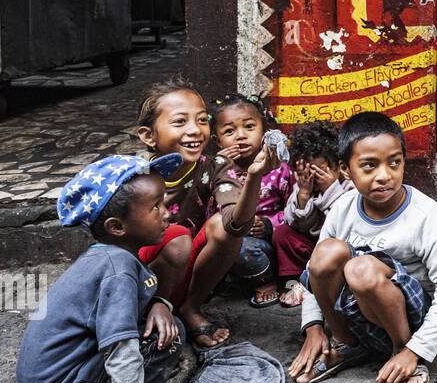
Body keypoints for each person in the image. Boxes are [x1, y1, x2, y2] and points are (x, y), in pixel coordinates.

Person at [288, 111, 437, 383]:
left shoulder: (426, 215)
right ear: (346, 170)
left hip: (407, 320)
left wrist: (415, 350)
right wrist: (313, 327)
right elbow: (314, 273)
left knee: (361, 269)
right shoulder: (343, 207)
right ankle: (345, 344)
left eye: (394, 163)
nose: (384, 176)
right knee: (325, 254)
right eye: (369, 166)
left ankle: (402, 354)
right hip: (354, 315)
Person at [16, 154, 186, 383]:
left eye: (164, 201)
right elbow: (119, 348)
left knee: (169, 325)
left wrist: (161, 303)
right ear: (117, 226)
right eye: (155, 207)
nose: (167, 212)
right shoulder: (117, 269)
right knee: (167, 338)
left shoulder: (107, 256)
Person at [133, 77, 277, 348]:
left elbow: (236, 225)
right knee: (175, 234)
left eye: (201, 120)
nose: (195, 130)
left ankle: (190, 307)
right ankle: (152, 308)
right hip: (142, 276)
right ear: (148, 135)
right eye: (179, 122)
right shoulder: (133, 175)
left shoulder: (215, 165)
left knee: (217, 228)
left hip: (188, 270)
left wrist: (255, 176)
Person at [208, 93, 296, 307]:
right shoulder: (215, 170)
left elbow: (294, 209)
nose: (240, 136)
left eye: (249, 127)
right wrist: (220, 167)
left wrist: (268, 225)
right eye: (229, 131)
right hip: (231, 238)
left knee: (246, 249)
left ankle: (267, 281)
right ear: (216, 140)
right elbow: (210, 212)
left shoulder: (279, 171)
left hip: (264, 244)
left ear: (264, 131)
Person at [276, 120, 352, 308]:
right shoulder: (304, 186)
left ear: (339, 167)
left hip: (336, 251)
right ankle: (293, 281)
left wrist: (330, 190)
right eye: (307, 173)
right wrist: (303, 194)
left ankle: (314, 284)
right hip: (310, 249)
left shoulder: (349, 186)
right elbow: (295, 224)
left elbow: (345, 220)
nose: (313, 179)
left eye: (321, 171)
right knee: (283, 233)